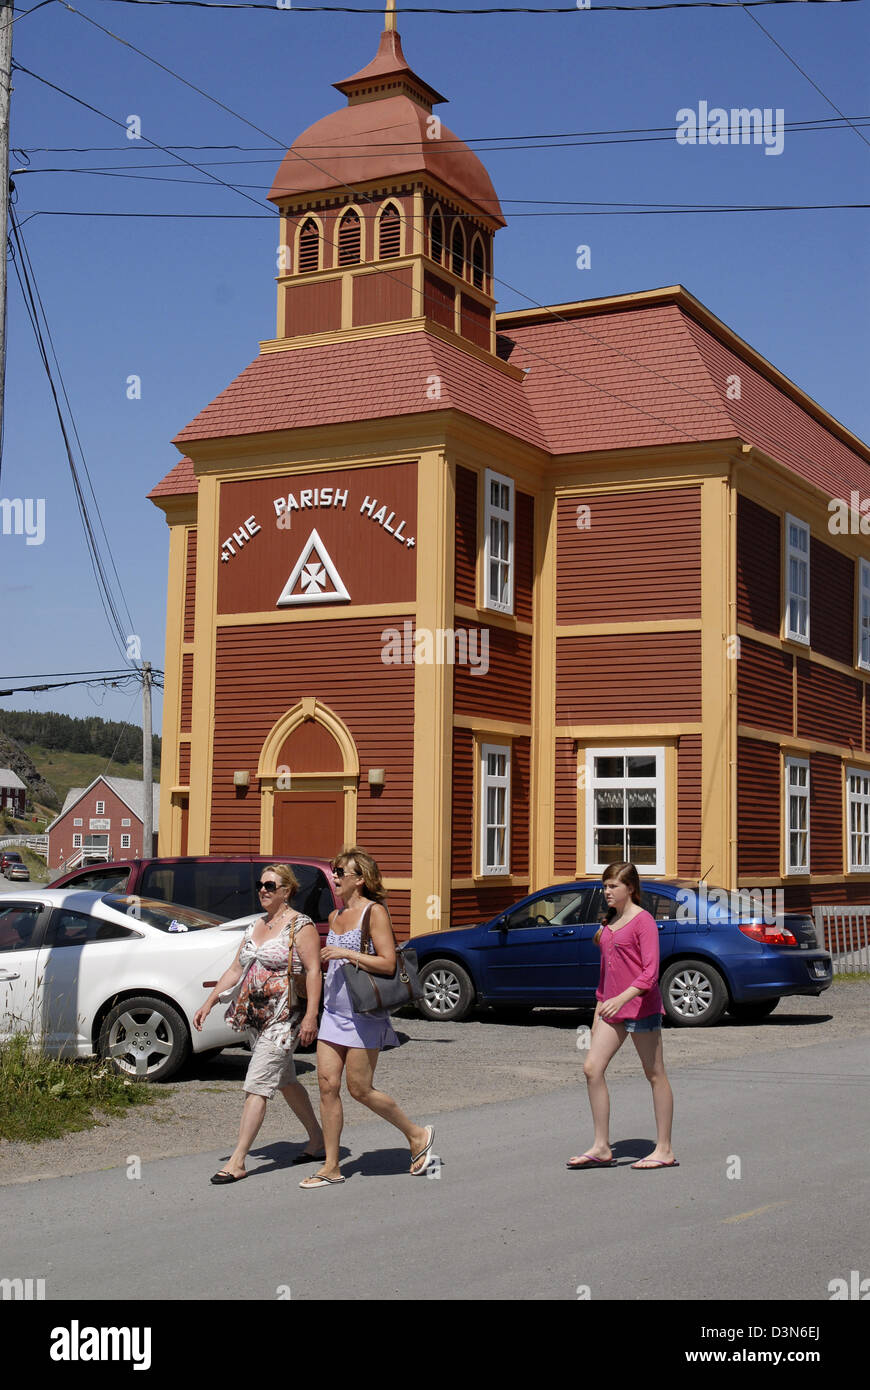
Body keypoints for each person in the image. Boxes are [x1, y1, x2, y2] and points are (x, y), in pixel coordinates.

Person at [300, 847, 434, 1188]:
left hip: (364, 1014)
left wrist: (346, 952)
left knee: (359, 1089)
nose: (335, 877)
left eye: (341, 872)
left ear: (359, 880)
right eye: (335, 871)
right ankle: (331, 1166)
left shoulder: (374, 913)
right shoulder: (333, 916)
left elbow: (389, 963)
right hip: (334, 1012)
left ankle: (416, 1134)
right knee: (327, 1086)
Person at [193, 863, 325, 1183]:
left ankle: (238, 1160)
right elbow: (235, 970)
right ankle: (318, 1140)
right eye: (260, 885)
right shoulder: (256, 925)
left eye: (270, 885)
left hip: (286, 1017)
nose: (262, 890)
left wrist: (310, 1016)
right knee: (285, 1079)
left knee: (257, 1082)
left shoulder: (300, 926)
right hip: (258, 1017)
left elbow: (313, 971)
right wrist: (209, 1001)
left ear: (286, 891)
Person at [567, 861, 678, 1171]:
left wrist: (622, 998)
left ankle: (664, 1149)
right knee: (591, 1068)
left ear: (630, 888)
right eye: (605, 886)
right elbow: (604, 978)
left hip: (641, 1008)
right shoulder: (609, 924)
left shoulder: (643, 921)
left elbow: (650, 973)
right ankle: (602, 1147)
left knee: (655, 1074)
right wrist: (599, 1011)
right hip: (610, 1010)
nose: (607, 892)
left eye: (613, 886)